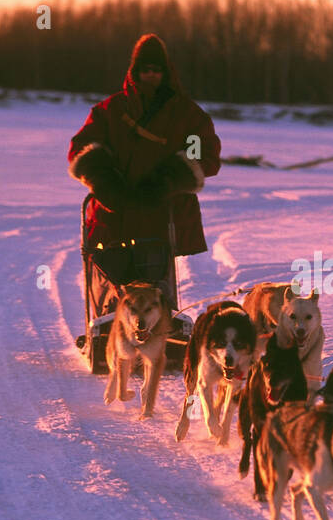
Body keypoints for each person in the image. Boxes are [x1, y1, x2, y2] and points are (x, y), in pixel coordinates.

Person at [68, 33, 221, 316]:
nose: (151, 75)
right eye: (145, 70)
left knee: (156, 283)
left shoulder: (187, 115)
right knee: (111, 278)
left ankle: (160, 332)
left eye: (156, 70)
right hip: (113, 211)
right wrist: (105, 183)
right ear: (134, 72)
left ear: (166, 72)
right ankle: (108, 331)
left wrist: (169, 180)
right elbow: (82, 148)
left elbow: (205, 155)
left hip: (161, 213)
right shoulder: (109, 110)